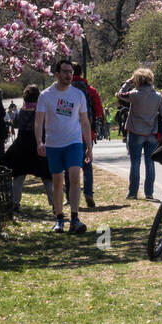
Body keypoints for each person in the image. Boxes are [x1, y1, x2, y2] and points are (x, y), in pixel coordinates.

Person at [35, 58, 92, 233]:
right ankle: (59, 218)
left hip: (74, 142)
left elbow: (84, 122)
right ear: (57, 74)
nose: (69, 75)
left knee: (75, 177)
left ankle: (75, 218)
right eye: (65, 72)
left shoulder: (78, 95)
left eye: (71, 72)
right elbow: (38, 122)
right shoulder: (46, 95)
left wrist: (89, 145)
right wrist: (39, 142)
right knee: (58, 182)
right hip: (53, 144)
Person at [3, 85, 54, 212]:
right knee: (46, 176)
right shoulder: (42, 110)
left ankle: (15, 203)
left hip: (22, 145)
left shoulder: (21, 110)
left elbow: (15, 124)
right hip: (38, 143)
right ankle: (54, 204)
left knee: (19, 176)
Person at [116, 68, 162, 200]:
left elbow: (119, 95)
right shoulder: (158, 96)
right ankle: (149, 192)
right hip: (152, 133)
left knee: (135, 162)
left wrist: (128, 82)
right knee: (150, 163)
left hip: (135, 132)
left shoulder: (134, 94)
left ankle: (133, 192)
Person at [71, 63, 105, 205]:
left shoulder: (66, 90)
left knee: (70, 166)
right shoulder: (90, 90)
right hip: (86, 132)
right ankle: (88, 193)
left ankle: (70, 196)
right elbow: (98, 111)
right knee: (87, 165)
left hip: (69, 133)